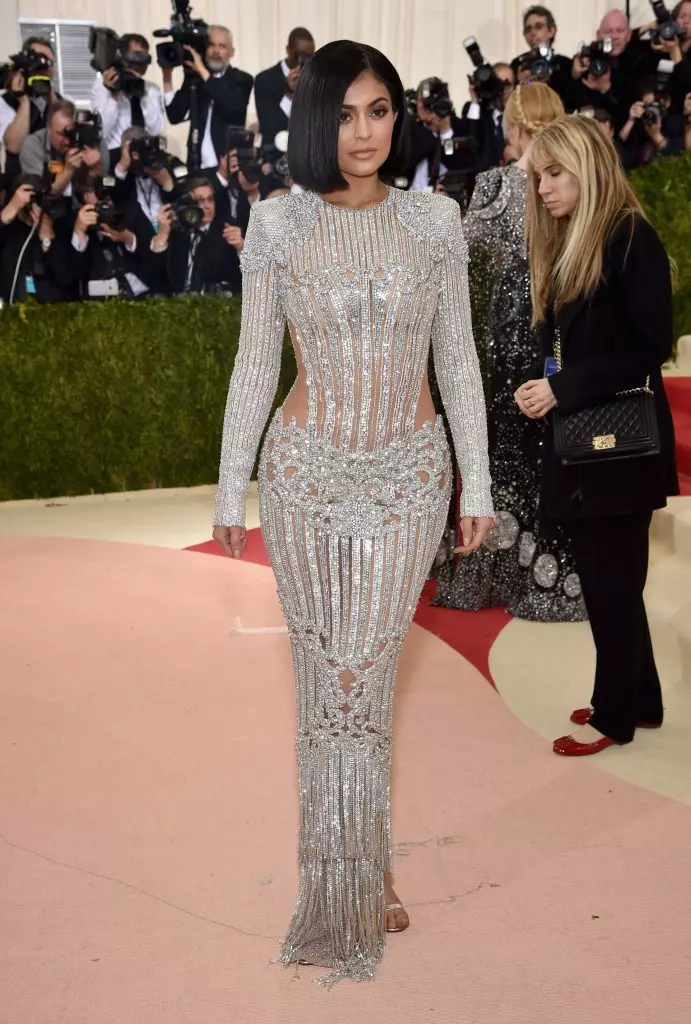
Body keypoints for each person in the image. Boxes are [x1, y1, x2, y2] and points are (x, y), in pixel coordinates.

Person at [211, 39, 493, 984]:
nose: (363, 132)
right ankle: (335, 876)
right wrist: (228, 486)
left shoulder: (433, 221)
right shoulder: (279, 226)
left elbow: (457, 358)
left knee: (362, 689)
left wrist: (477, 485)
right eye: (344, 113)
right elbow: (258, 361)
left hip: (409, 477)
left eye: (378, 111)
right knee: (318, 686)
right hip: (302, 478)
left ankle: (360, 877)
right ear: (313, 121)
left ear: (396, 116)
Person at [515, 115, 678, 756]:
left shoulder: (630, 237)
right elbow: (570, 341)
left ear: (586, 164)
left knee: (611, 585)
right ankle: (640, 698)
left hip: (620, 448)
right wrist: (547, 381)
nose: (544, 189)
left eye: (554, 173)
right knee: (615, 581)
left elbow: (647, 347)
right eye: (538, 178)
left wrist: (562, 388)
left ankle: (615, 718)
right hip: (589, 446)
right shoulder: (578, 242)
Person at [433, 83, 585, 622]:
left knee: (501, 453)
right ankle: (550, 570)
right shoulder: (572, 183)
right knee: (546, 450)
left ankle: (491, 569)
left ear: (513, 125)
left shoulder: (497, 185)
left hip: (506, 337)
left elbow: (460, 248)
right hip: (558, 332)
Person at [163, 25, 253, 170]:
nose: (216, 51)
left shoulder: (242, 79)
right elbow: (174, 116)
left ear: (232, 52)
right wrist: (167, 77)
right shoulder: (195, 79)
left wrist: (203, 72)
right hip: (197, 167)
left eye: (222, 46)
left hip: (227, 167)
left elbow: (230, 105)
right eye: (211, 45)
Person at [146, 175, 243, 295]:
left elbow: (243, 279)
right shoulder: (176, 232)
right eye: (200, 201)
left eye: (210, 199)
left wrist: (241, 248)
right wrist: (161, 237)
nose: (207, 206)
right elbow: (155, 278)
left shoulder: (227, 231)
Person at [91, 33, 164, 164]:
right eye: (135, 56)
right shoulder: (102, 86)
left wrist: (146, 98)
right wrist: (114, 94)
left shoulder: (152, 90)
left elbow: (156, 130)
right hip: (114, 155)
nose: (139, 63)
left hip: (144, 155)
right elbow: (102, 132)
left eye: (144, 58)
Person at [19, 99, 110, 201]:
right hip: (48, 210)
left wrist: (94, 171)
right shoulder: (34, 144)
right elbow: (39, 196)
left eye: (71, 133)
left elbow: (100, 188)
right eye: (61, 134)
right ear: (48, 127)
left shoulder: (90, 140)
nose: (67, 141)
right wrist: (68, 170)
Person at [254, 27, 315, 162]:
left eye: (310, 56)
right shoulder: (265, 80)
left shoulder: (314, 81)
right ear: (289, 50)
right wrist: (289, 94)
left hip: (306, 162)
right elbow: (269, 126)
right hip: (273, 160)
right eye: (301, 55)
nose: (304, 61)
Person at [1, 37, 57, 180]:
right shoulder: (5, 101)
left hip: (53, 181)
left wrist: (50, 97)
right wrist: (23, 99)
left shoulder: (59, 99)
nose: (46, 67)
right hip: (19, 185)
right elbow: (14, 147)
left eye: (50, 63)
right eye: (39, 60)